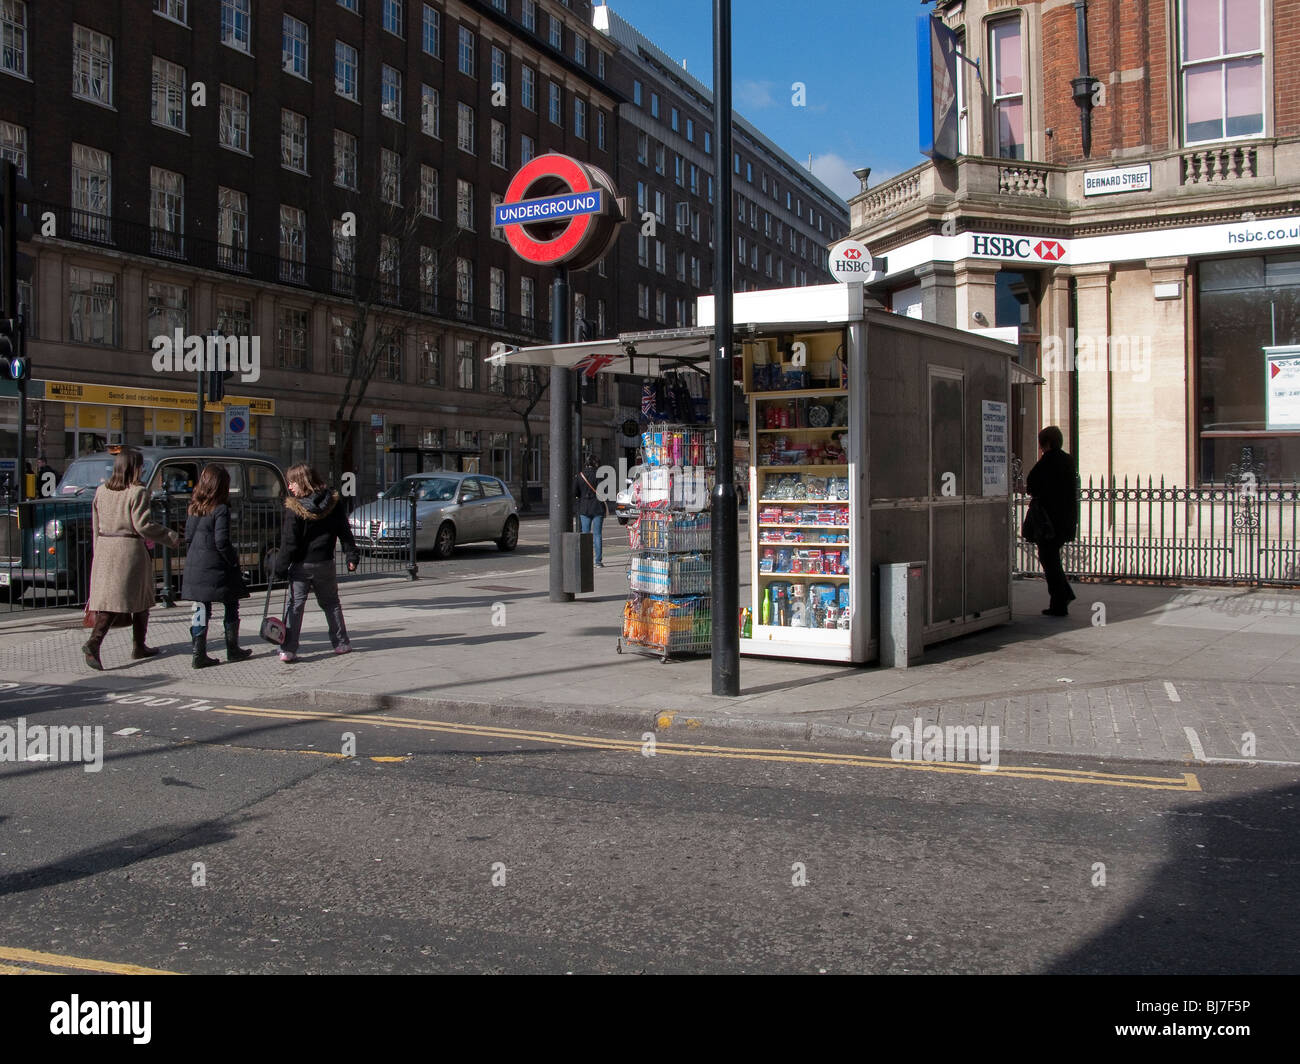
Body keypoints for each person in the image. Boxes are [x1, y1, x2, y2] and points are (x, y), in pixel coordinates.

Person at [82, 447, 181, 669]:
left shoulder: (101, 490)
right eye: (141, 466)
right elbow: (142, 525)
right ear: (134, 468)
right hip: (128, 550)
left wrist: (98, 554)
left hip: (106, 549)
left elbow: (95, 526)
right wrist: (170, 536)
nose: (142, 469)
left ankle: (134, 645)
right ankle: (98, 643)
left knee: (114, 600)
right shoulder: (137, 491)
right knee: (132, 599)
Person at [272, 464, 360, 663]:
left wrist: (279, 568)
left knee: (295, 606)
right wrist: (351, 555)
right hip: (325, 563)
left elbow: (289, 543)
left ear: (302, 482)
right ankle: (341, 643)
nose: (290, 487)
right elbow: (344, 531)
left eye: (292, 482)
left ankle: (288, 648)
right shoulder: (333, 503)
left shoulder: (295, 508)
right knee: (331, 603)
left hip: (301, 565)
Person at [183, 464, 253, 668]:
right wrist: (233, 561)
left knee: (201, 609)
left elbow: (188, 536)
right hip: (217, 567)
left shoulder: (194, 507)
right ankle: (233, 649)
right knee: (231, 604)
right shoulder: (220, 509)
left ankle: (198, 653)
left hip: (196, 566)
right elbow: (221, 541)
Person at [1026, 425, 1079, 617]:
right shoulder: (1068, 460)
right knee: (1052, 558)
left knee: (1049, 560)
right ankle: (1063, 596)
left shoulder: (1047, 461)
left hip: (1049, 522)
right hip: (1065, 520)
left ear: (1045, 443)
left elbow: (1031, 484)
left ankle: (1061, 598)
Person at [573, 456, 608, 568]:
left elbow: (575, 492)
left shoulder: (580, 476)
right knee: (597, 535)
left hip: (584, 508)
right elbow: (604, 491)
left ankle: (586, 560)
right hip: (597, 507)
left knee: (585, 535)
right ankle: (598, 561)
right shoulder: (599, 475)